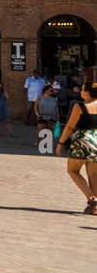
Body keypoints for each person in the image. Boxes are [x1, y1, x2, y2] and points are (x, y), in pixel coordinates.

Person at [57, 82, 97, 214]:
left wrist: (60, 143)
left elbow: (69, 127)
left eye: (82, 89)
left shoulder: (79, 106)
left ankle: (91, 198)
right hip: (96, 143)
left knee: (73, 170)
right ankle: (95, 208)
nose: (80, 91)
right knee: (93, 175)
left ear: (87, 92)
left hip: (81, 142)